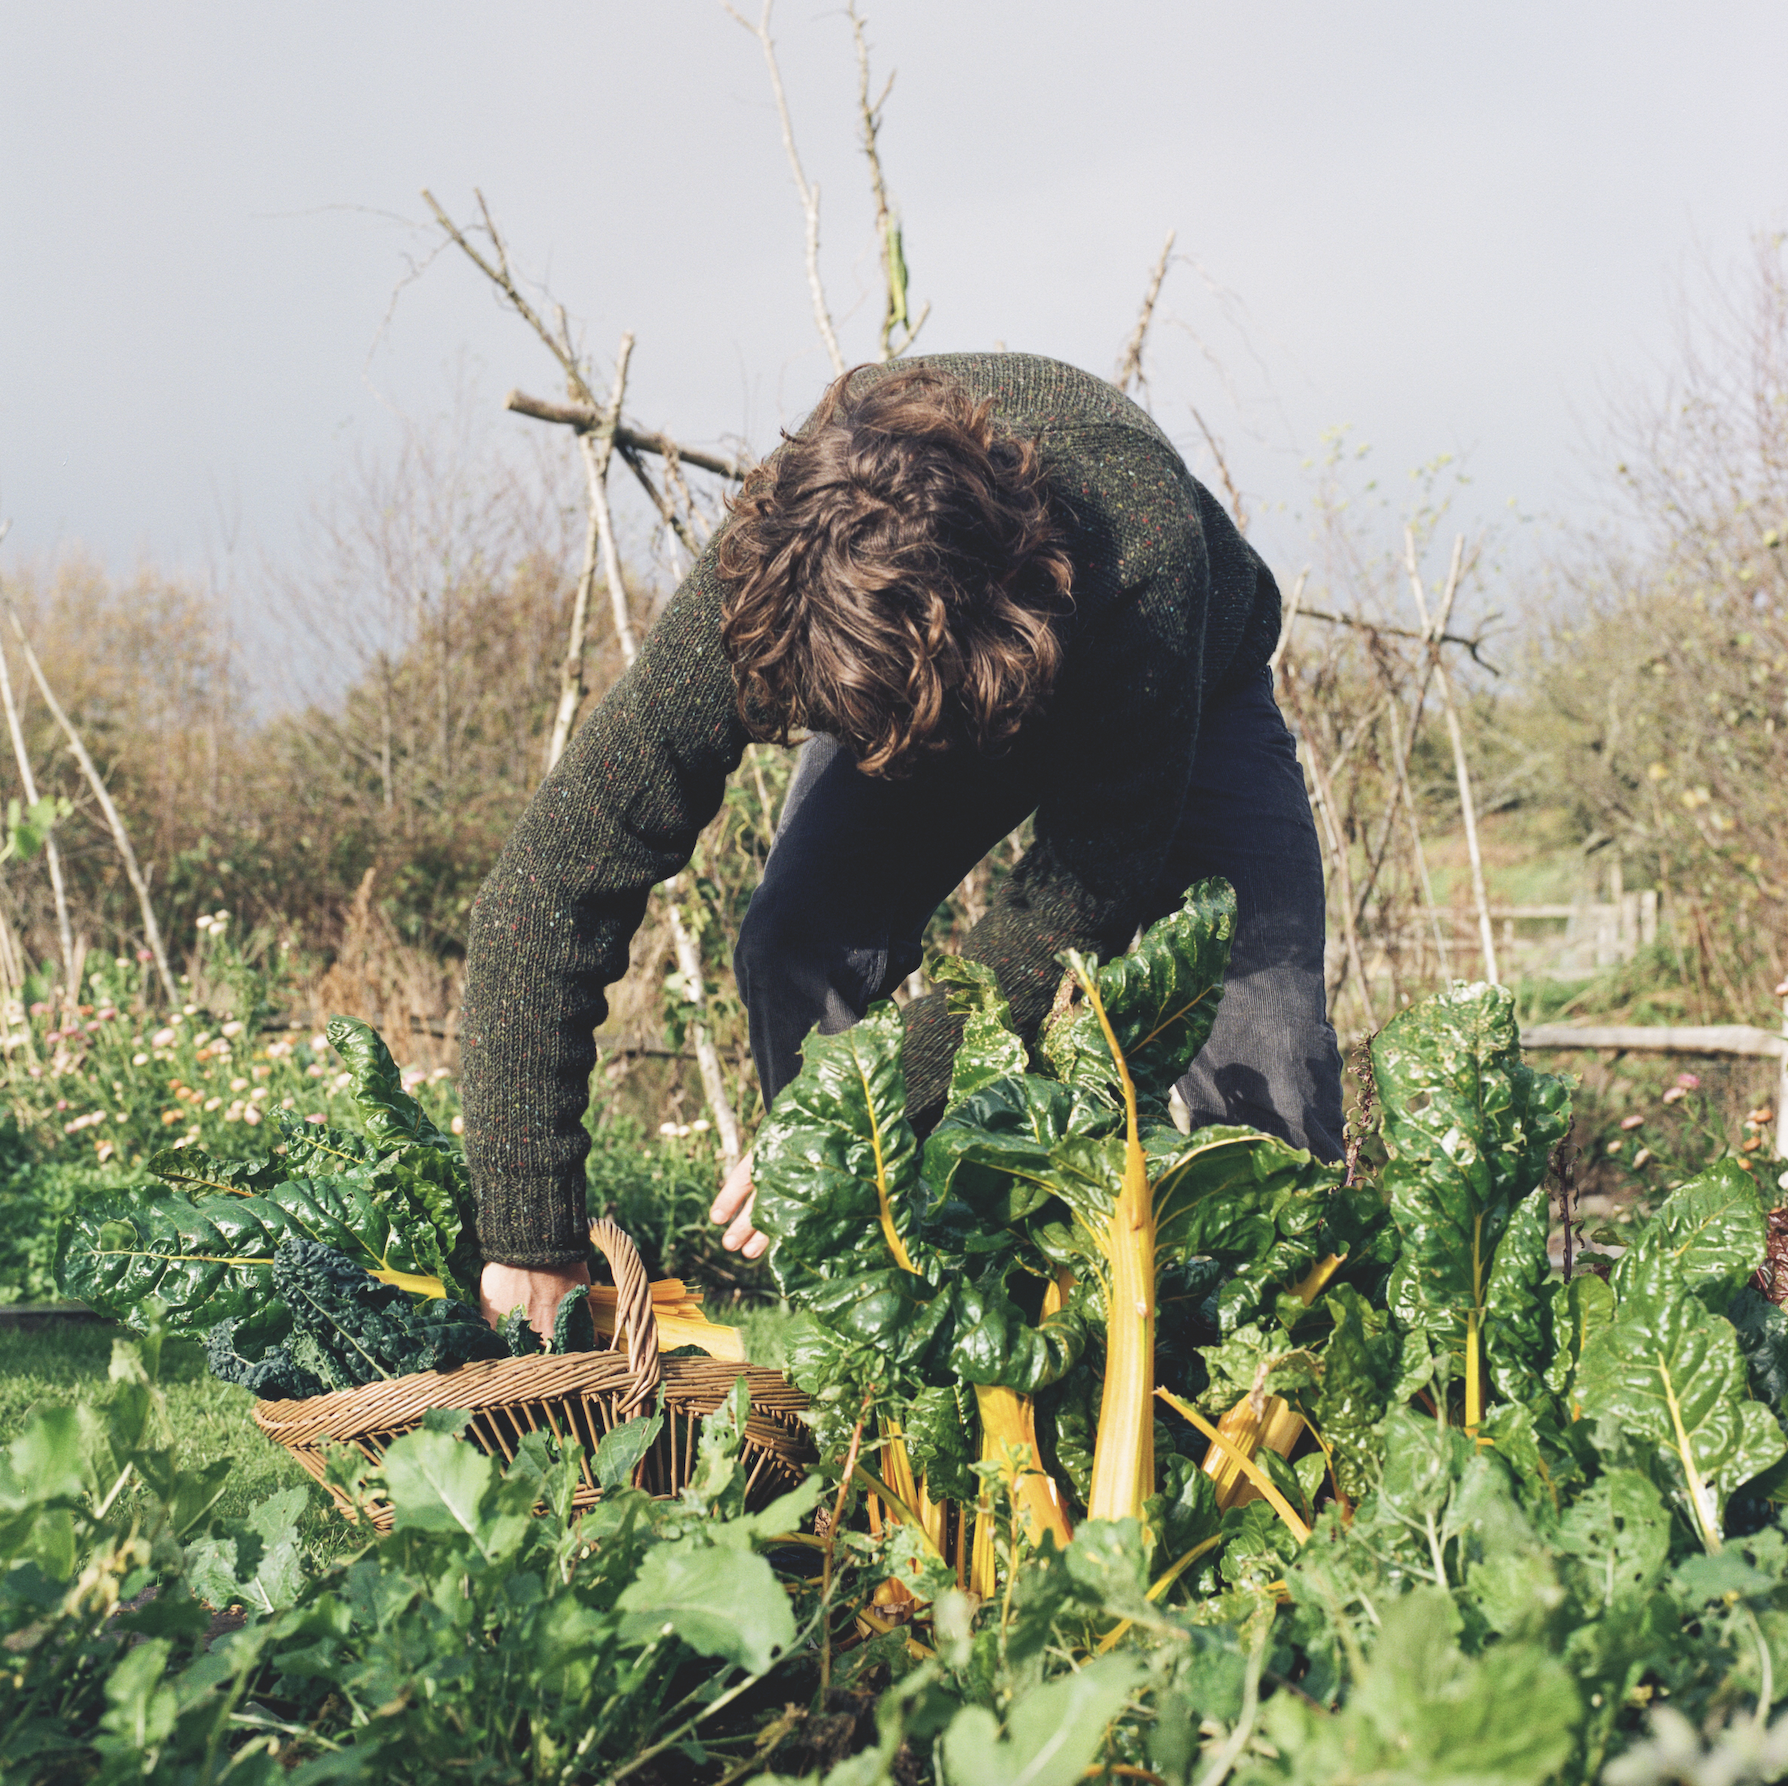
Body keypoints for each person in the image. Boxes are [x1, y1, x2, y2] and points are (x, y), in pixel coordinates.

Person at [464, 354, 1343, 1337]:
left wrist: (860, 1111)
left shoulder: (1142, 545)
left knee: (1266, 1060)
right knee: (798, 935)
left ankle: (1273, 1384)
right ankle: (878, 1327)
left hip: (1181, 688)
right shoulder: (781, 572)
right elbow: (549, 880)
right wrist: (529, 1234)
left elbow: (1078, 900)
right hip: (918, 667)